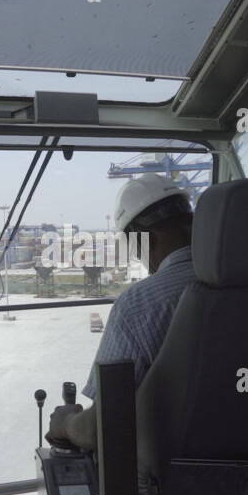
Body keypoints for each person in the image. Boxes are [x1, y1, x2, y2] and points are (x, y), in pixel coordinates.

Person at [46, 173, 196, 450]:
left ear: (142, 239)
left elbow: (100, 428)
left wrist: (65, 423)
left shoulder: (138, 305)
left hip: (172, 465)